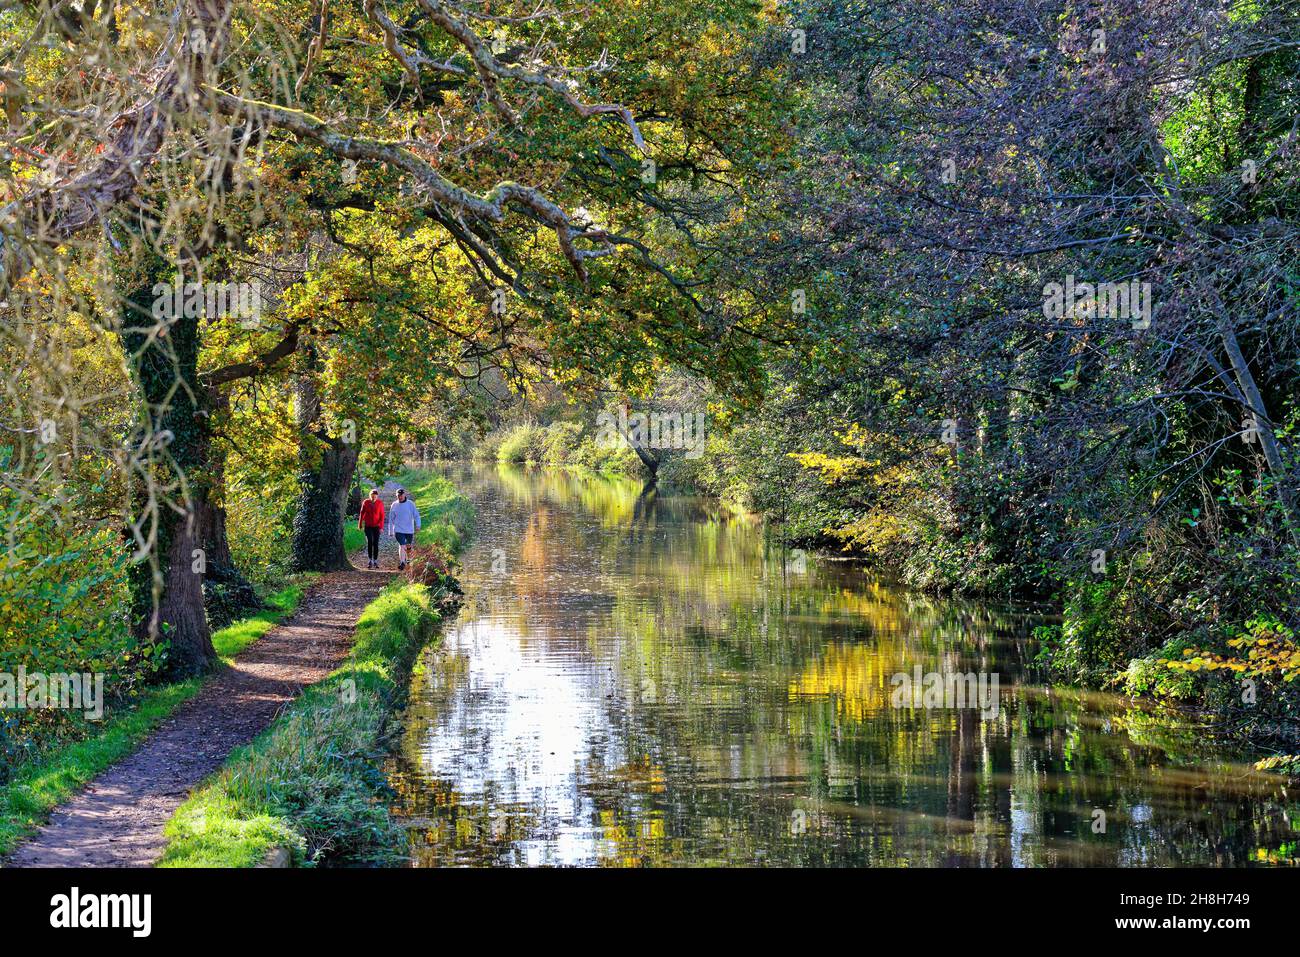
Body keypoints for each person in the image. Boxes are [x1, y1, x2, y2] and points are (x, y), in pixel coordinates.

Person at [386, 486, 421, 571]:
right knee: (402, 545)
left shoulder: (410, 504)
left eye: (401, 495)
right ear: (396, 496)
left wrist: (418, 525)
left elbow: (416, 515)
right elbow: (391, 518)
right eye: (398, 495)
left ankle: (408, 560)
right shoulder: (394, 505)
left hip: (409, 529)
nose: (400, 497)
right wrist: (390, 531)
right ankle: (402, 562)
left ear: (404, 495)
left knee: (408, 546)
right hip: (398, 529)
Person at [357, 489, 385, 569]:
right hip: (368, 526)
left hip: (376, 526)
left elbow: (382, 515)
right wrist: (360, 524)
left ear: (377, 496)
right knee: (370, 542)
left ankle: (375, 560)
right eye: (372, 496)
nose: (373, 497)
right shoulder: (366, 502)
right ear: (370, 495)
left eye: (375, 496)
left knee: (375, 543)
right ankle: (370, 560)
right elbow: (362, 513)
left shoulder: (380, 503)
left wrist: (381, 527)